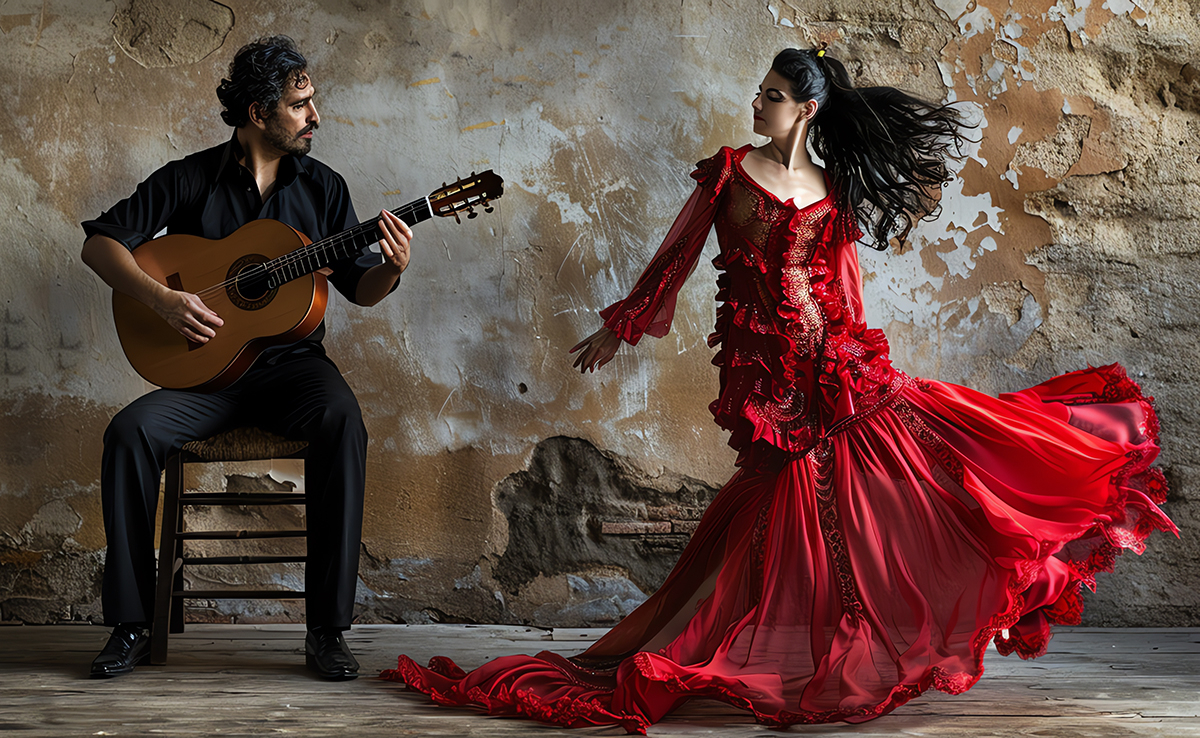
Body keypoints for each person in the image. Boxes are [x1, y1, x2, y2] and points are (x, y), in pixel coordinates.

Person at [382, 48, 1176, 731]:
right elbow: (677, 258)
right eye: (759, 91)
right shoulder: (730, 173)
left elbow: (842, 283)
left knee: (904, 483)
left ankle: (823, 642)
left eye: (770, 94)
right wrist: (620, 329)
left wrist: (858, 362)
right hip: (765, 375)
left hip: (834, 368)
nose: (755, 102)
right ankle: (700, 650)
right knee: (767, 511)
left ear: (807, 108)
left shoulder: (832, 188)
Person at [81, 36, 413, 680]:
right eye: (300, 105)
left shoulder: (324, 188)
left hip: (294, 371)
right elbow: (100, 246)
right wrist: (163, 302)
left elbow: (360, 289)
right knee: (129, 432)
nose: (314, 117)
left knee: (344, 421)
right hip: (205, 377)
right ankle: (130, 625)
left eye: (312, 102)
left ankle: (326, 630)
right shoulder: (189, 177)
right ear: (259, 113)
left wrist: (392, 270)